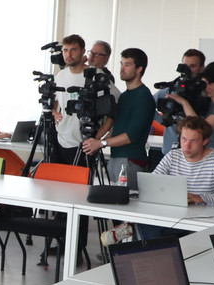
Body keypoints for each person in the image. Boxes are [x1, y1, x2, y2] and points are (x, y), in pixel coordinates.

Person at [82, 48, 154, 188]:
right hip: (116, 157)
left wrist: (101, 143)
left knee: (123, 202)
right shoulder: (125, 96)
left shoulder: (143, 97)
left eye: (127, 65)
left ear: (139, 69)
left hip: (131, 159)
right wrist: (97, 141)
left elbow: (130, 136)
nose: (122, 68)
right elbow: (116, 127)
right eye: (121, 63)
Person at [165, 60, 214, 181]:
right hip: (209, 161)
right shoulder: (207, 102)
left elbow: (201, 128)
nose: (207, 88)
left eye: (211, 83)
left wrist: (184, 103)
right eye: (204, 84)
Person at [150, 116, 214, 206]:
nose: (187, 145)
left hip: (202, 217)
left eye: (194, 141)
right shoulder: (172, 156)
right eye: (184, 139)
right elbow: (151, 183)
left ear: (205, 141)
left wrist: (200, 198)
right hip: (173, 213)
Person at [154, 48, 205, 153]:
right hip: (170, 151)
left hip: (196, 153)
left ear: (202, 68)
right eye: (185, 66)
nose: (188, 70)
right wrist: (164, 121)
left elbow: (202, 126)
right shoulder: (171, 89)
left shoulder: (205, 92)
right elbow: (146, 106)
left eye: (193, 66)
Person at [51, 34, 90, 165]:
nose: (69, 54)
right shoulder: (61, 75)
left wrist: (100, 137)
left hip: (84, 142)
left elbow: (113, 107)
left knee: (80, 185)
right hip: (60, 138)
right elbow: (54, 97)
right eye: (65, 50)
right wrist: (54, 112)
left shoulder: (94, 75)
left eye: (74, 50)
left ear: (83, 51)